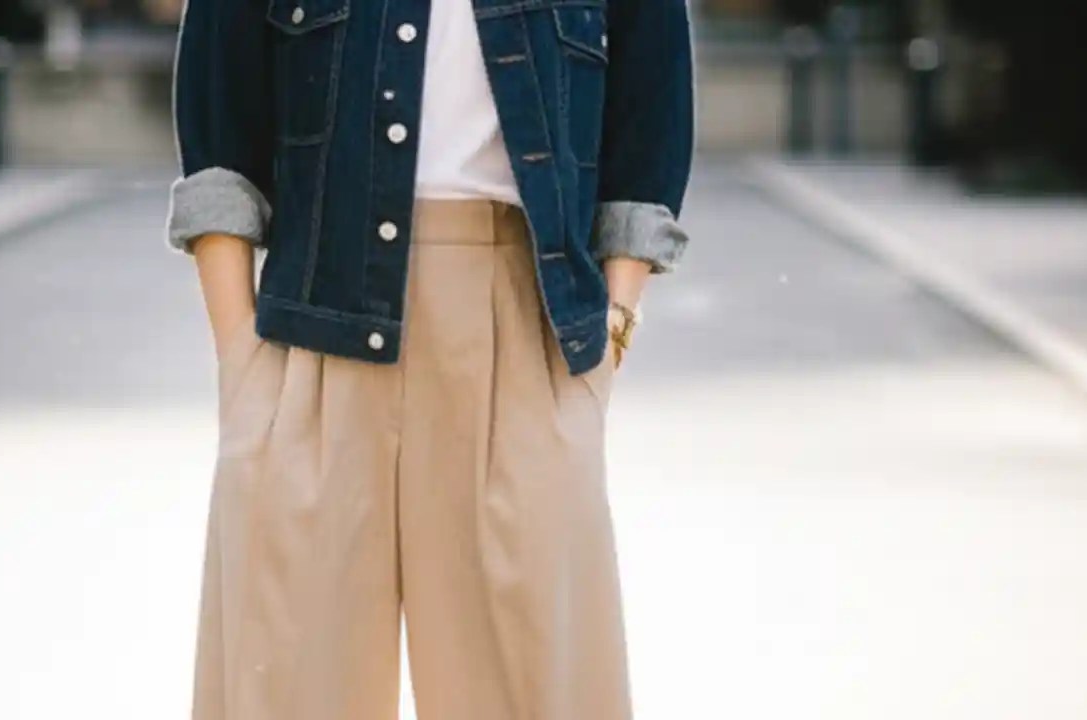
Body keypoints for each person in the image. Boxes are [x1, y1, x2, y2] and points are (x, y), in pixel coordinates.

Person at [165, 0, 693, 717]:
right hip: (313, 339)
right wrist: (242, 366)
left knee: (538, 694)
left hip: (524, 330)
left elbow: (649, 113)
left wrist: (612, 336)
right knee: (289, 691)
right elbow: (219, 114)